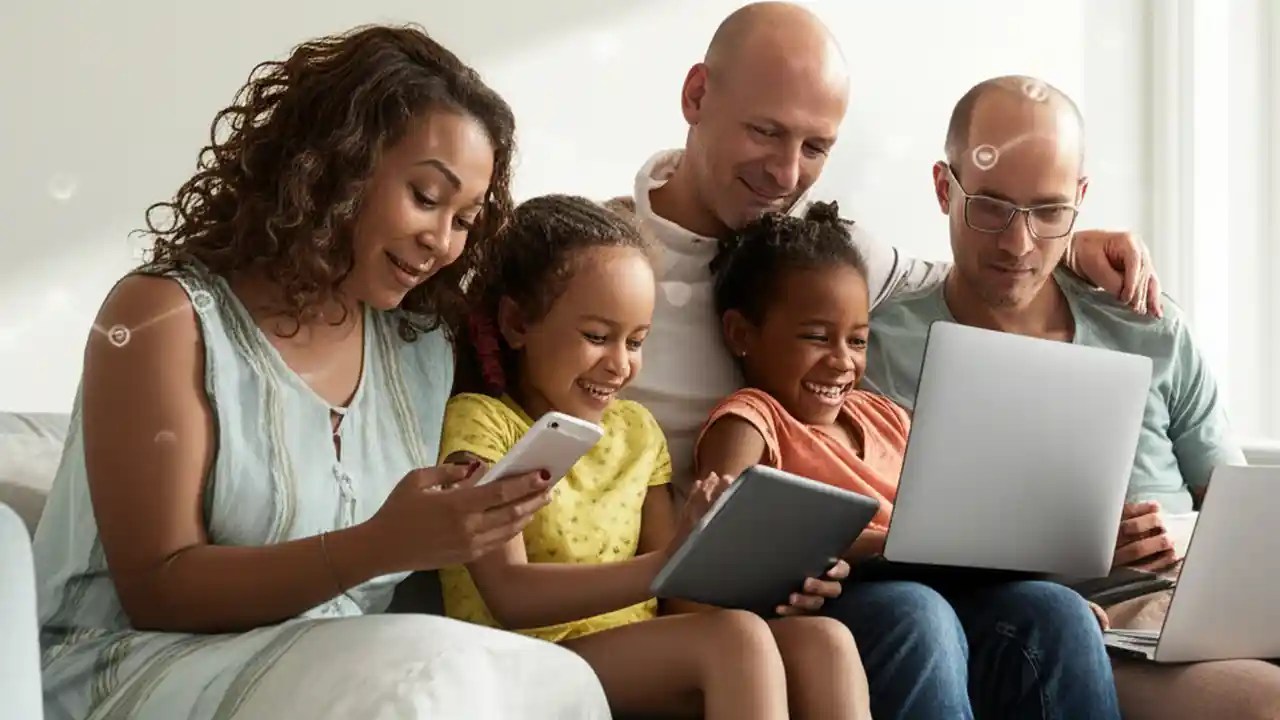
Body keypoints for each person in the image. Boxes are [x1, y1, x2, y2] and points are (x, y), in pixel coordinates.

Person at [30, 26, 613, 720]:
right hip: (125, 664)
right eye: (426, 196)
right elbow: (158, 589)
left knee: (556, 681)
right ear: (334, 164)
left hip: (338, 670)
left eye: (465, 219)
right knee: (423, 681)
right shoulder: (161, 317)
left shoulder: (419, 343)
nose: (442, 241)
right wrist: (381, 544)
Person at [614, 1, 1165, 504]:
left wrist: (1066, 243)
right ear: (696, 96)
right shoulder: (601, 257)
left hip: (804, 578)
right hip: (657, 582)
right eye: (764, 131)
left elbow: (979, 271)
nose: (785, 175)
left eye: (815, 147)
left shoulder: (833, 255)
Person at [863, 74, 1280, 720]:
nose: (1018, 244)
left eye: (1050, 211)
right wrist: (1072, 547)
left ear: (1081, 199)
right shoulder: (881, 345)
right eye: (991, 207)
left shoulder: (1147, 321)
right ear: (944, 188)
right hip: (1079, 625)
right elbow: (899, 550)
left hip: (1194, 610)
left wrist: (1185, 543)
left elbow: (1234, 505)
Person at [440, 193, 872, 720]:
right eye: (598, 336)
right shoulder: (481, 422)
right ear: (516, 324)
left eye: (637, 340)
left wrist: (779, 585)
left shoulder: (637, 431)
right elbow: (509, 597)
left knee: (823, 641)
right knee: (733, 640)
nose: (619, 364)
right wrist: (664, 567)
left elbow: (679, 596)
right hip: (525, 655)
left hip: (638, 651)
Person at [696, 201, 1121, 720]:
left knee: (1059, 612)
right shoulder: (753, 419)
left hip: (936, 585)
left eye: (857, 340)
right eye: (815, 336)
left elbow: (946, 527)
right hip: (850, 602)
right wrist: (876, 546)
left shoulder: (886, 417)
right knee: (918, 612)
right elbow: (727, 539)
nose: (842, 360)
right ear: (742, 334)